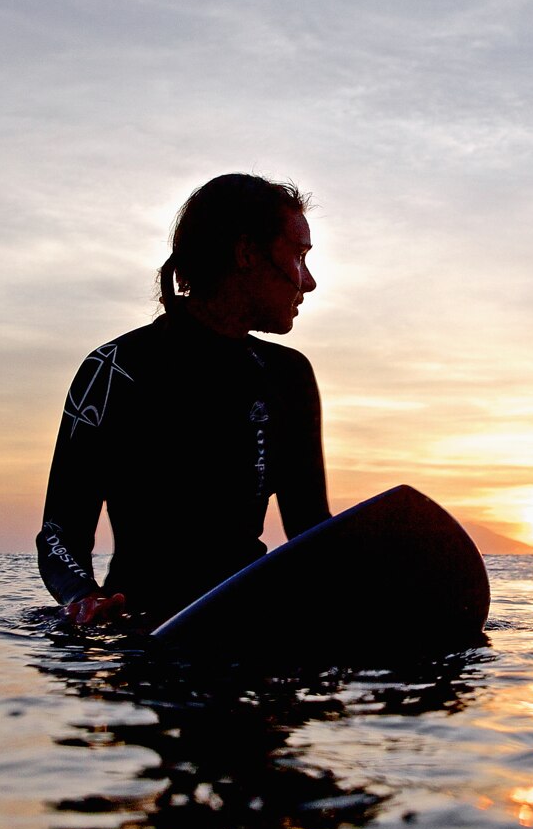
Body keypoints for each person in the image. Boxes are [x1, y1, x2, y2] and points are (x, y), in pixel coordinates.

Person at [36, 174, 331, 627]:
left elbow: (311, 530)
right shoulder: (116, 370)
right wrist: (83, 598)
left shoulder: (286, 376)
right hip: (144, 633)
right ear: (247, 253)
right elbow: (60, 533)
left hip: (252, 624)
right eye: (299, 256)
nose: (308, 282)